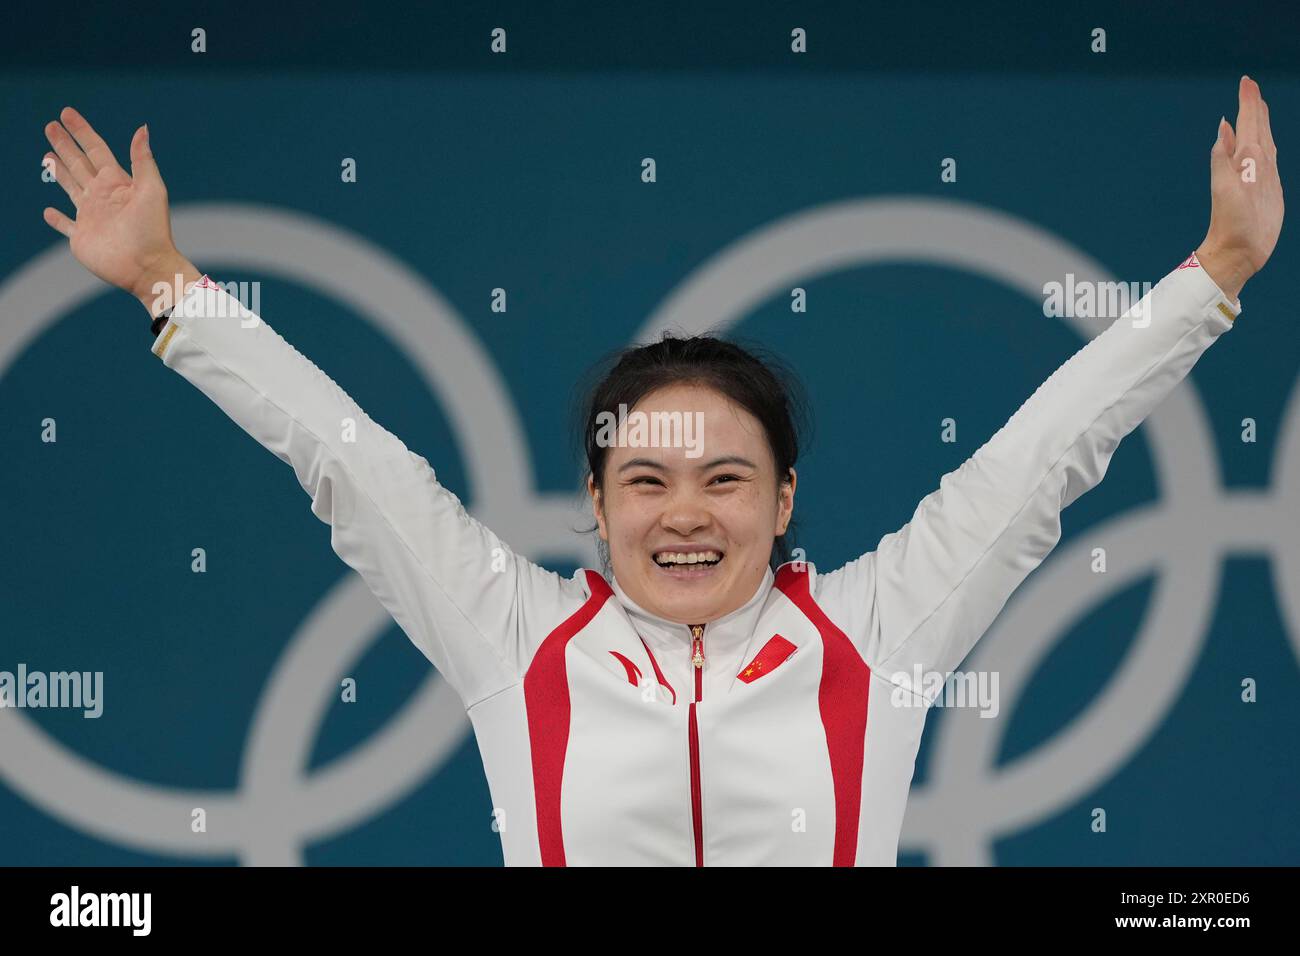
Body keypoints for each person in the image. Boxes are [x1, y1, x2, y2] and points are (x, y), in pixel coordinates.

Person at [38, 77, 1283, 866]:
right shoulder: (511, 634)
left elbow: (1040, 458)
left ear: (784, 500)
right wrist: (165, 282)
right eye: (645, 481)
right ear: (594, 502)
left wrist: (1215, 272)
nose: (684, 512)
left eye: (725, 479)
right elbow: (345, 459)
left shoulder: (880, 626)